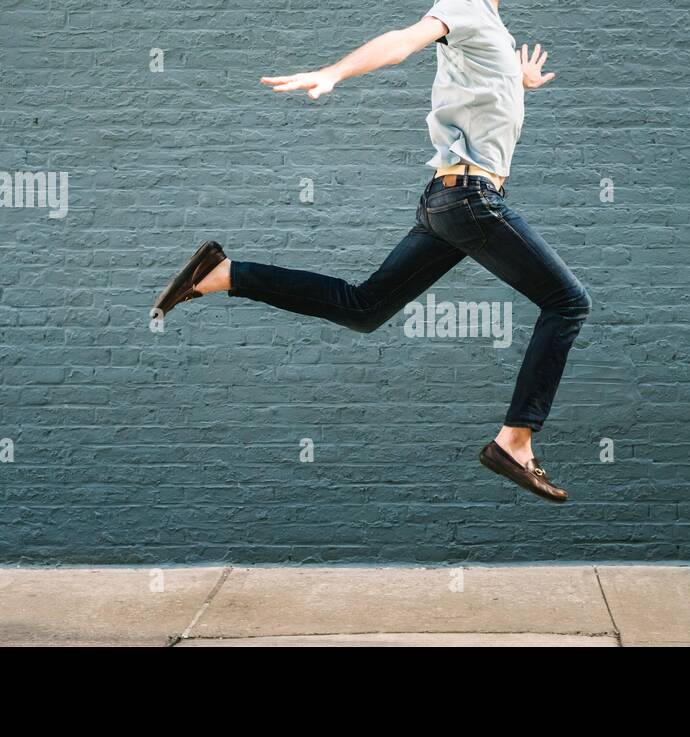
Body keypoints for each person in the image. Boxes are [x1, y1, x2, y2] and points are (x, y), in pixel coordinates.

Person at [152, 0, 590, 502]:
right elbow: (402, 43)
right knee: (568, 301)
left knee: (364, 309)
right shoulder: (464, 5)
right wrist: (333, 72)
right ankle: (515, 442)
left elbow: (478, 95)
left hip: (449, 201)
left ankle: (225, 274)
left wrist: (518, 82)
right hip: (470, 199)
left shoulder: (488, 25)